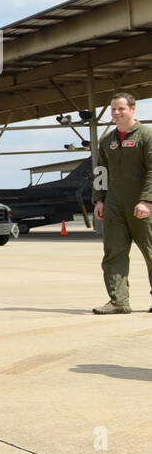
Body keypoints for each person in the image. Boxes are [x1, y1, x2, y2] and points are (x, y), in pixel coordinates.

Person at [92, 91, 152, 314]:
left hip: (142, 205)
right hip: (114, 205)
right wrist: (99, 200)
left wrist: (147, 200)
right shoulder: (107, 141)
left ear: (133, 109)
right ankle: (118, 301)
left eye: (121, 109)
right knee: (113, 252)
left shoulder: (146, 135)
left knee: (151, 251)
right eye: (113, 109)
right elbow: (101, 172)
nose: (116, 113)